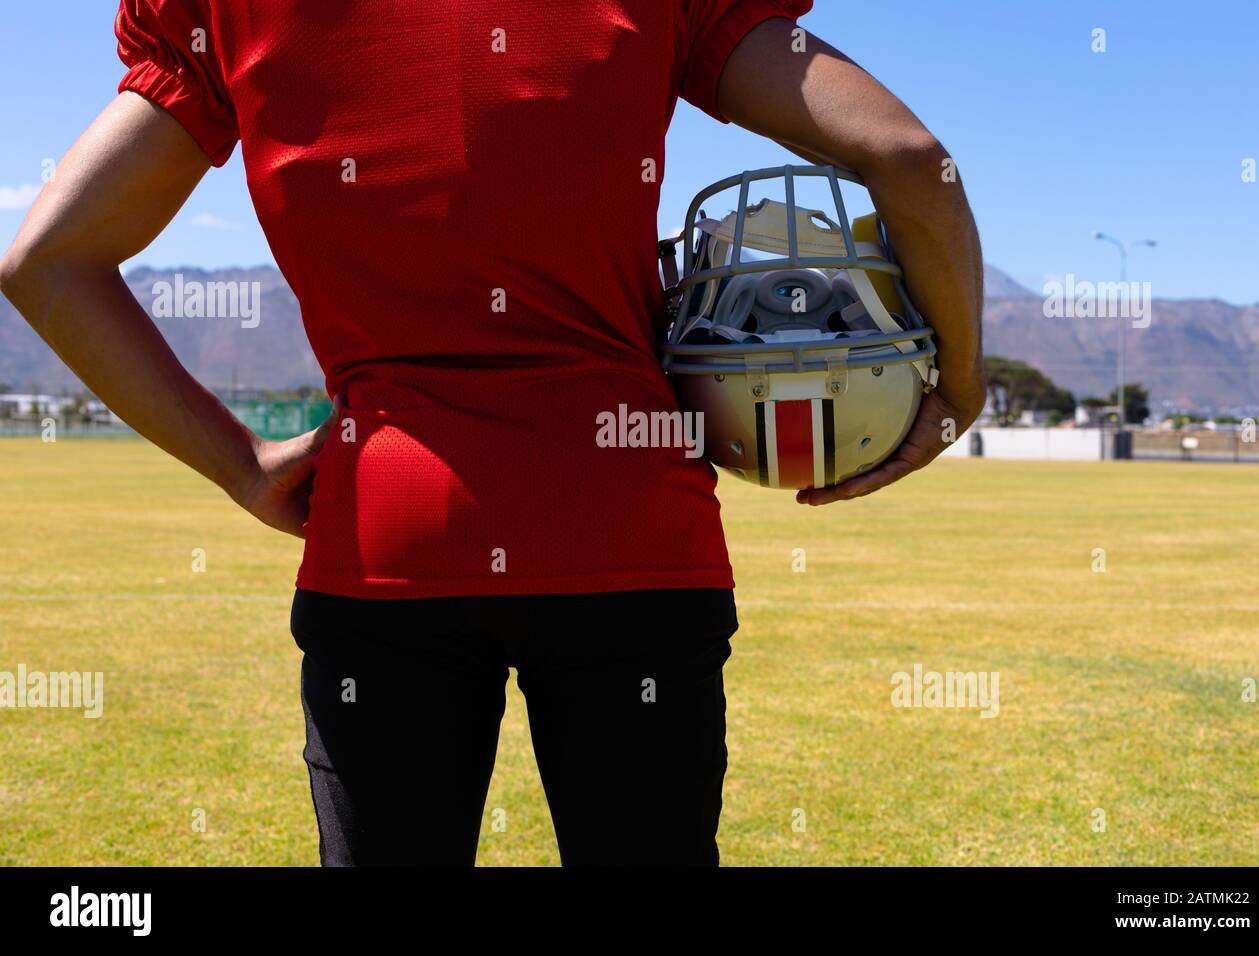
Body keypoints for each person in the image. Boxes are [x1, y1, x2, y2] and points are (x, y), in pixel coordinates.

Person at [0, 0, 983, 865]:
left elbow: (45, 261)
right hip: (629, 528)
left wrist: (243, 469)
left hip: (388, 533)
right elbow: (907, 156)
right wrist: (960, 390)